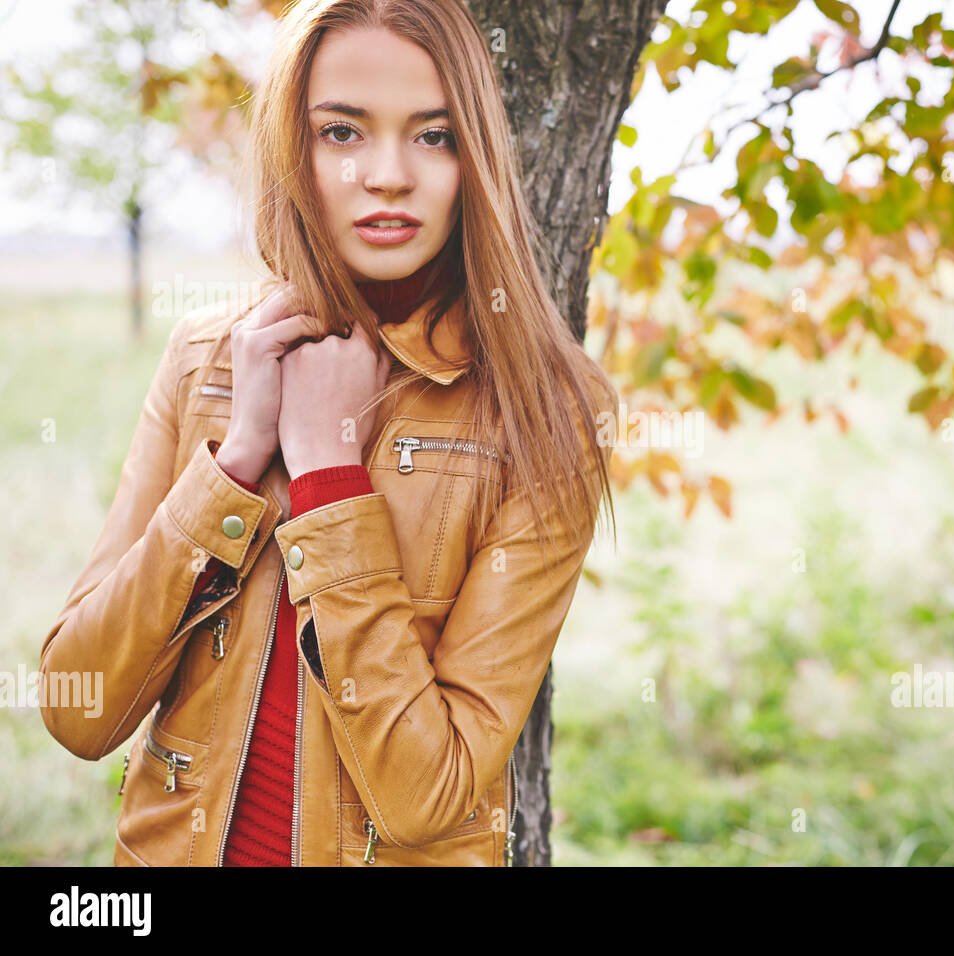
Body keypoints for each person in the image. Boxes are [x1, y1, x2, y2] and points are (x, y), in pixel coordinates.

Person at [39, 0, 618, 867]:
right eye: (342, 132)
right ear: (293, 149)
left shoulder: (545, 409)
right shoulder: (204, 358)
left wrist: (329, 479)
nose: (387, 175)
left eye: (434, 135)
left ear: (475, 157)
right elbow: (77, 710)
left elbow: (428, 799)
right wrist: (235, 464)